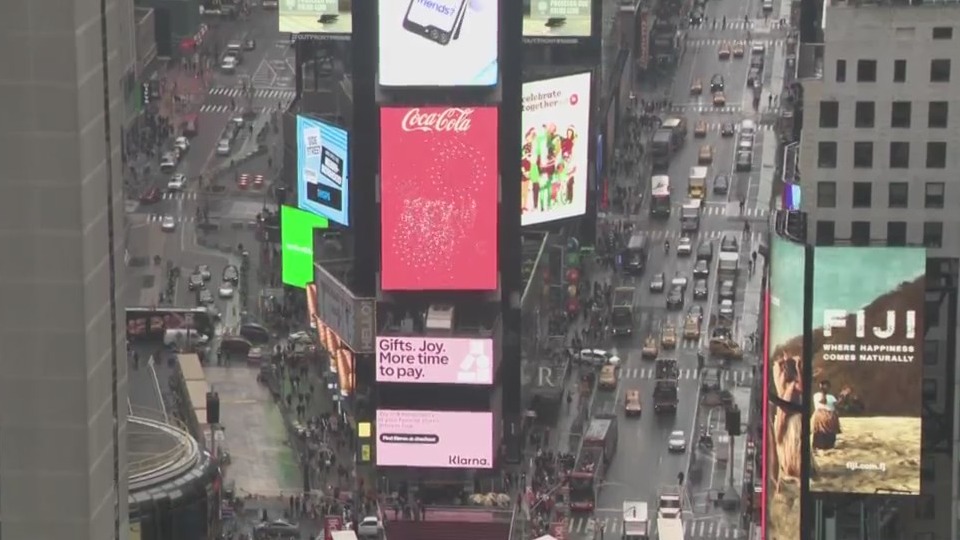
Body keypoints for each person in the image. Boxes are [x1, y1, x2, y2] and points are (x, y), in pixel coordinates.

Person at [811, 380, 841, 450]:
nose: (826, 387)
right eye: (824, 385)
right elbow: (823, 401)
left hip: (831, 417)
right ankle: (819, 446)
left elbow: (836, 405)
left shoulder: (831, 396)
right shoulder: (817, 395)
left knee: (831, 434)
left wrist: (842, 397)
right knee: (820, 433)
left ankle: (830, 446)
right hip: (821, 417)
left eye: (827, 386)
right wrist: (823, 392)